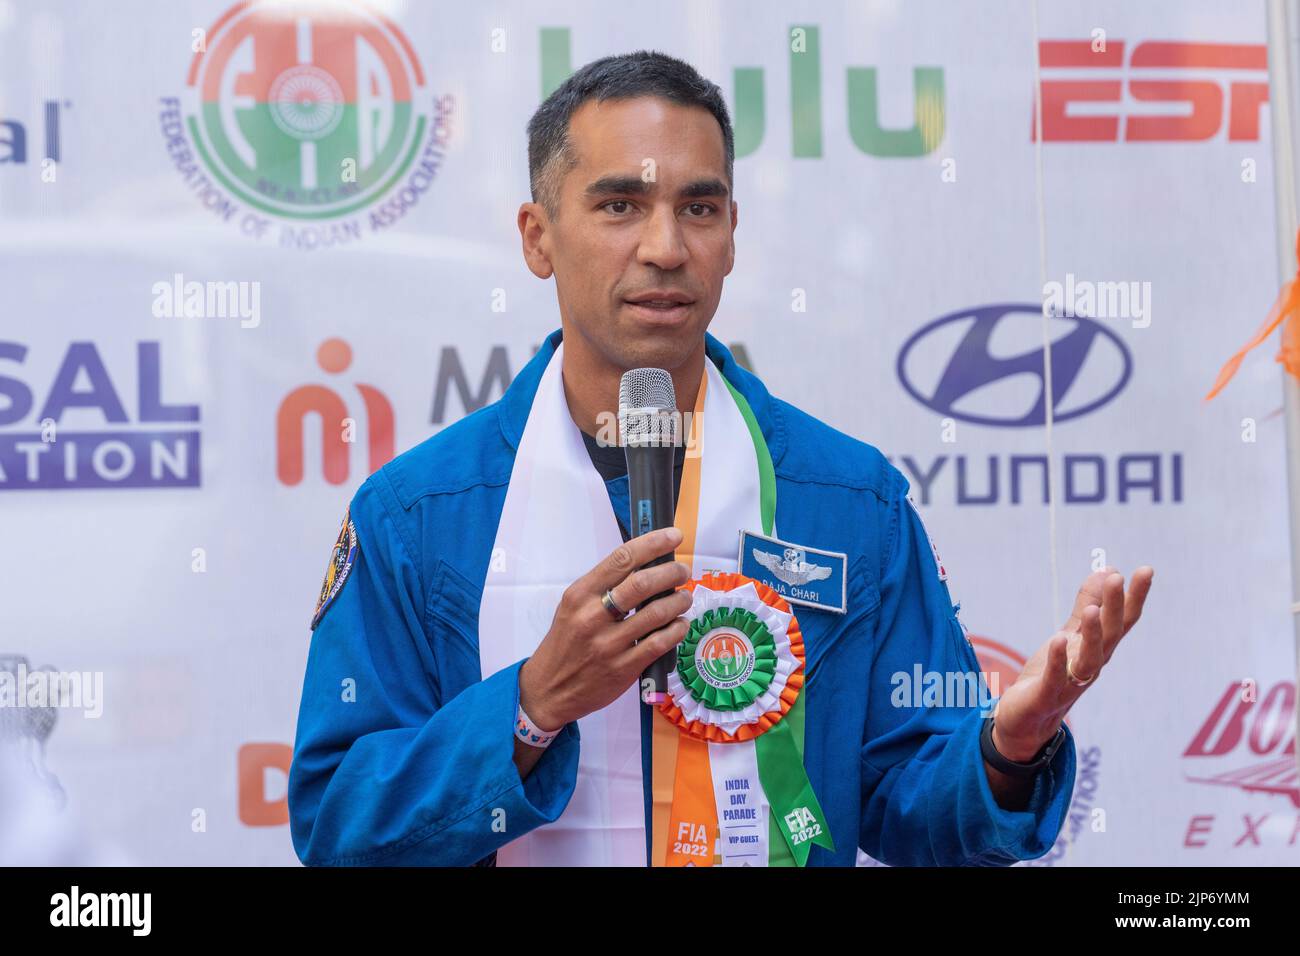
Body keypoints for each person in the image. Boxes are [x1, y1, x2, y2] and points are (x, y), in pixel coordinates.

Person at [287, 50, 1153, 867]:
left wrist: (1005, 753)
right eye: (620, 205)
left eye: (699, 209)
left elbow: (911, 803)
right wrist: (531, 707)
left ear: (732, 234)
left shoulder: (849, 499)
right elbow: (339, 826)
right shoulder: (419, 512)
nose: (666, 248)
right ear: (537, 236)